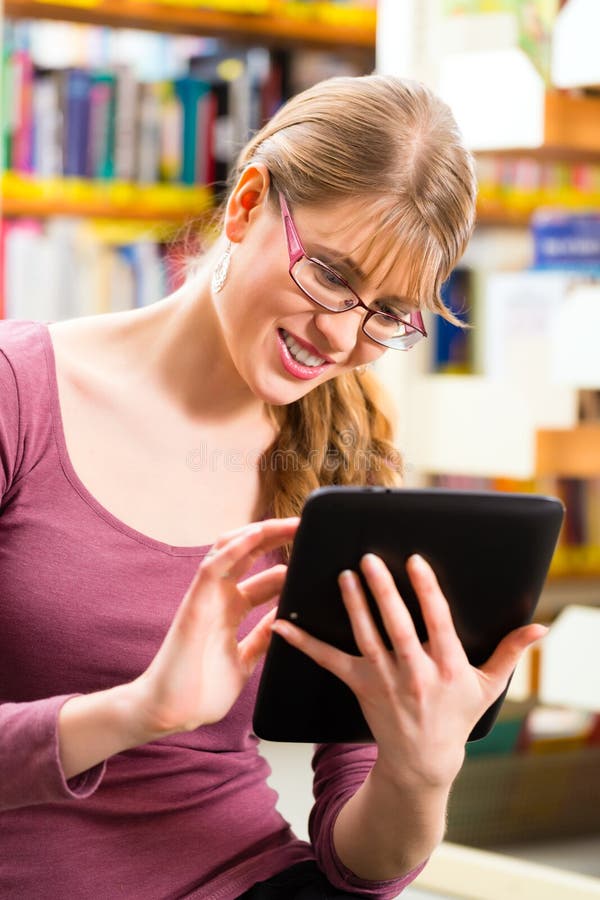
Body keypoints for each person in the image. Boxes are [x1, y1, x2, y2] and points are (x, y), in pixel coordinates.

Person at [0, 74, 546, 899]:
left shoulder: (343, 458)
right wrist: (137, 710)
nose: (341, 336)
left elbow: (355, 869)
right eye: (330, 273)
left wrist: (420, 771)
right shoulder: (19, 394)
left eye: (388, 313)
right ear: (249, 203)